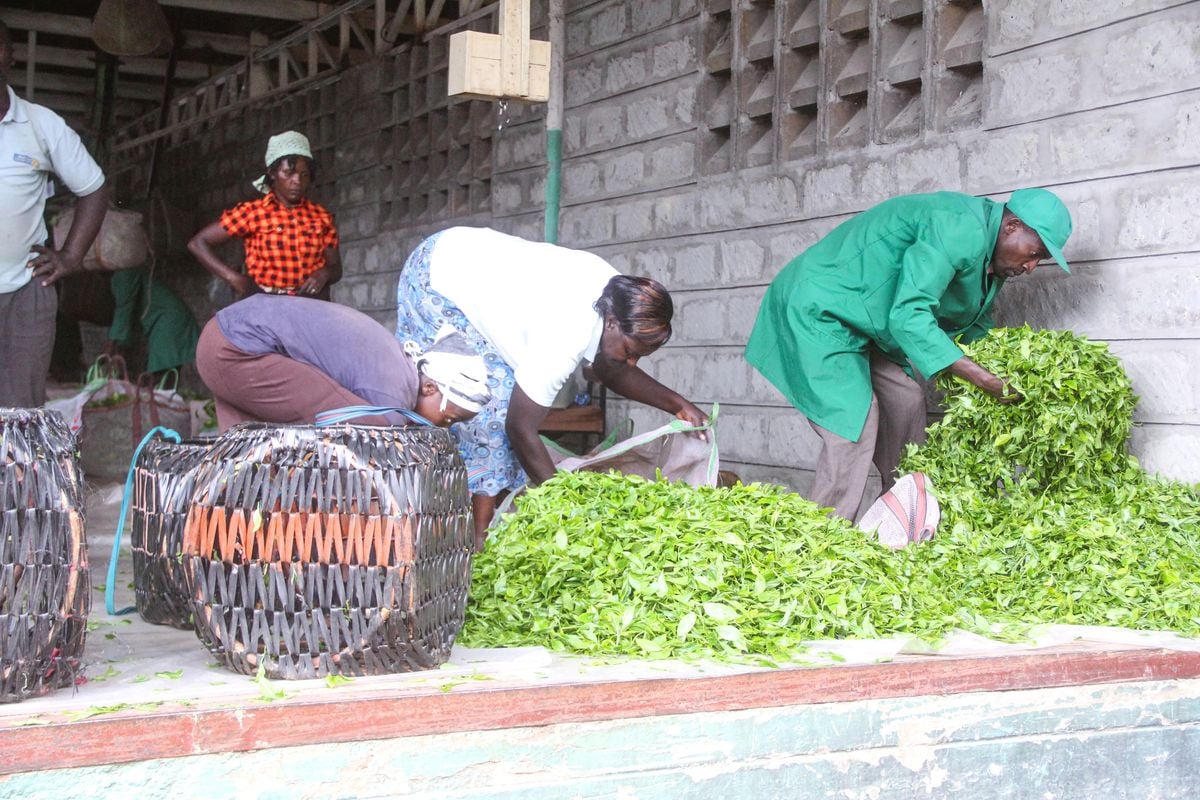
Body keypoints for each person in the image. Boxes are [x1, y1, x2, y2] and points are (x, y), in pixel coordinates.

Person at [744, 188, 1073, 521]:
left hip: (867, 323)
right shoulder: (958, 227)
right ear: (1012, 226)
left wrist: (1020, 369)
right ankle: (822, 537)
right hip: (822, 309)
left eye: (1040, 260)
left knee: (907, 401)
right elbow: (909, 316)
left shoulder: (992, 259)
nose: (1031, 266)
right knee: (854, 421)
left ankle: (902, 521)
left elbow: (974, 325)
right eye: (1035, 253)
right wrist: (985, 380)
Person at [394, 226, 709, 550]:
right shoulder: (568, 332)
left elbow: (613, 368)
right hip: (439, 278)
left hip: (465, 264)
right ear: (613, 324)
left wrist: (678, 404)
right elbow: (520, 429)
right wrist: (564, 501)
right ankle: (475, 538)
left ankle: (489, 520)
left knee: (495, 414)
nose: (631, 362)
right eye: (630, 352)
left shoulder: (621, 300)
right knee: (486, 407)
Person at [0, 20, 110, 407]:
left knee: (21, 409)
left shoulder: (41, 124)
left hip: (25, 289)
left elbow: (94, 188)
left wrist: (71, 256)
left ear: (10, 57)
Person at [195, 293, 490, 433]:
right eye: (448, 419)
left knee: (245, 454)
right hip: (238, 351)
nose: (443, 427)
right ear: (429, 387)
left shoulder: (395, 364)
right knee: (378, 430)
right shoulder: (392, 391)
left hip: (220, 337)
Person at [187, 131, 341, 300]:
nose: (297, 181)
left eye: (304, 175)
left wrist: (326, 273)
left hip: (310, 304)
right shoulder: (253, 213)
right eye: (289, 173)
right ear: (273, 173)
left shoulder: (321, 216)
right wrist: (234, 279)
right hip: (265, 303)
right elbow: (198, 243)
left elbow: (336, 269)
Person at [105, 267, 201, 380]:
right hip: (168, 318)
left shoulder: (126, 272)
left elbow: (123, 311)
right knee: (161, 372)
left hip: (169, 319)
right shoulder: (121, 274)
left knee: (160, 372)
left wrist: (109, 350)